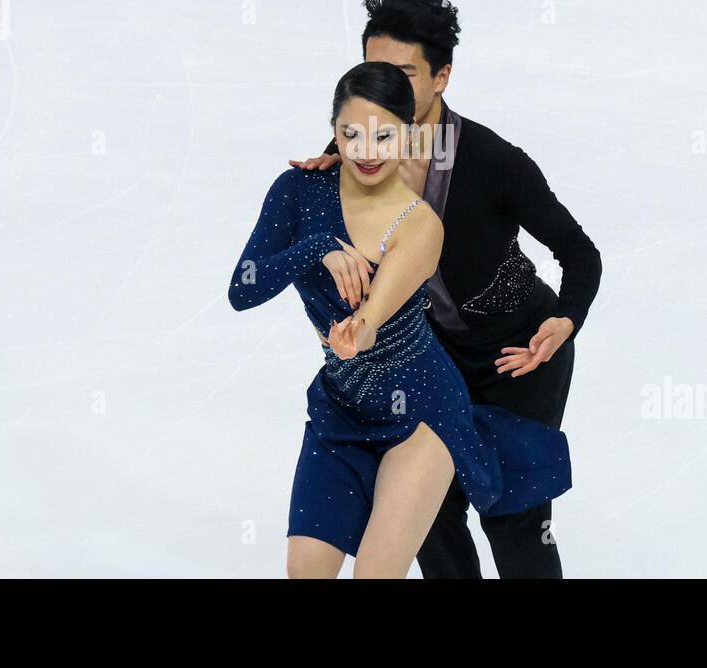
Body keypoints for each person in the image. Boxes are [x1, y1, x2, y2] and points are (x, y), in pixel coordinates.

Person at [291, 0, 602, 578]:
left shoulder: (494, 163)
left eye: (405, 73)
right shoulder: (356, 153)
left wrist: (566, 319)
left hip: (520, 358)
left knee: (514, 519)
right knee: (424, 514)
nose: (385, 89)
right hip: (434, 361)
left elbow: (579, 252)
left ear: (443, 77)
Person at [229, 61, 572, 579]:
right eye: (351, 134)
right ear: (334, 132)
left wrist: (357, 330)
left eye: (383, 136)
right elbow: (243, 288)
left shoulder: (418, 225)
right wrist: (317, 248)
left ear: (410, 137)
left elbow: (369, 321)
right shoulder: (297, 190)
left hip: (423, 415)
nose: (366, 151)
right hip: (340, 409)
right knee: (305, 573)